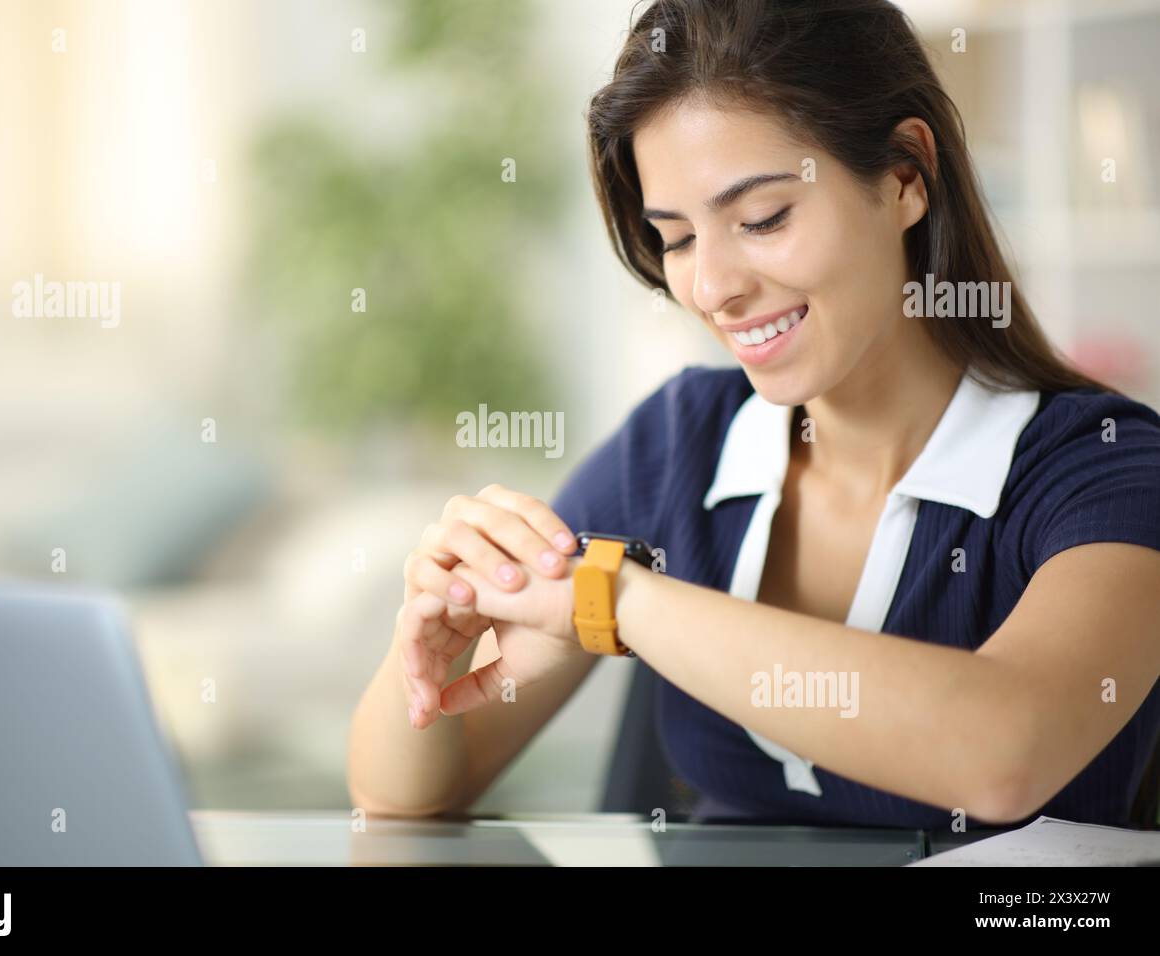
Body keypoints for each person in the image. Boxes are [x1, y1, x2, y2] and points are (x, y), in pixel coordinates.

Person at [347, 0, 1160, 828]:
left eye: (762, 218)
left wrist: (621, 599)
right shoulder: (679, 444)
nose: (712, 288)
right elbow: (400, 793)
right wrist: (420, 654)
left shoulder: (1104, 469)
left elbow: (1004, 754)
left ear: (906, 176)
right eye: (677, 238)